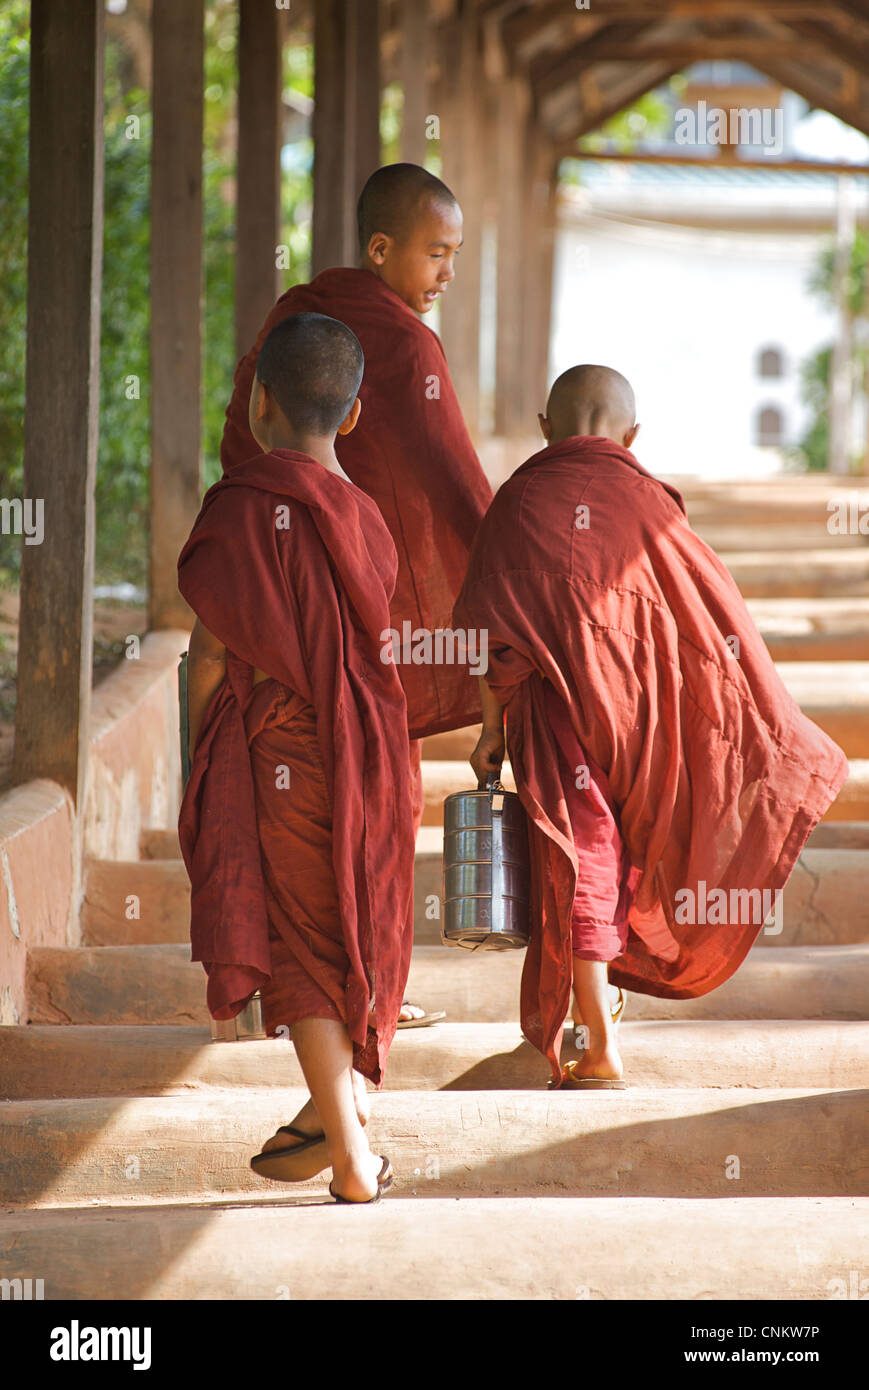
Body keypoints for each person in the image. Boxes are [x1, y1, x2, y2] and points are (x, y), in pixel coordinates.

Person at [454, 364, 849, 1089]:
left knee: (584, 853)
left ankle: (597, 1038)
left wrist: (490, 729)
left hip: (554, 712)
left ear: (546, 428)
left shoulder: (516, 499)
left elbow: (492, 635)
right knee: (614, 849)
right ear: (630, 435)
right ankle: (596, 1012)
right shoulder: (648, 503)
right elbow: (704, 616)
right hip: (642, 713)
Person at [221, 162, 493, 1028]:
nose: (447, 273)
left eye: (454, 255)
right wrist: (508, 578)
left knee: (293, 799)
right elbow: (456, 486)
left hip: (285, 606)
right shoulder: (407, 346)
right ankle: (370, 991)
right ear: (382, 249)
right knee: (379, 797)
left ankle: (308, 986)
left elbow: (245, 437)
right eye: (436, 254)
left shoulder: (294, 315)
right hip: (371, 616)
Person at [178, 314, 415, 1201]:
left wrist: (200, 752)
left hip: (277, 750)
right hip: (364, 753)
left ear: (259, 399)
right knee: (352, 923)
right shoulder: (366, 520)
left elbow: (210, 649)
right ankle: (331, 1115)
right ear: (351, 418)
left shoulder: (237, 508)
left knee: (301, 947)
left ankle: (350, 1153)